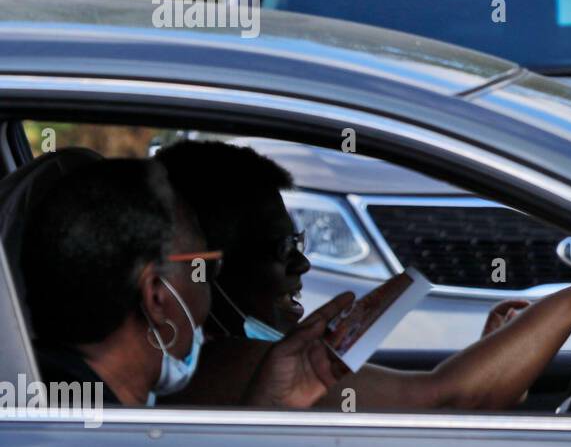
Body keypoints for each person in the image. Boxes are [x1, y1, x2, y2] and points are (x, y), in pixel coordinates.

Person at [156, 140, 571, 411]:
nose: (303, 265)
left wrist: (499, 354)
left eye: (301, 244)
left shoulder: (244, 361)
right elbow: (442, 397)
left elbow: (449, 405)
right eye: (283, 248)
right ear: (212, 268)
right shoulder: (229, 362)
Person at [21, 158, 351, 407]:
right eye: (206, 268)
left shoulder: (49, 399)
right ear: (156, 297)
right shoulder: (100, 438)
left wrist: (265, 404)